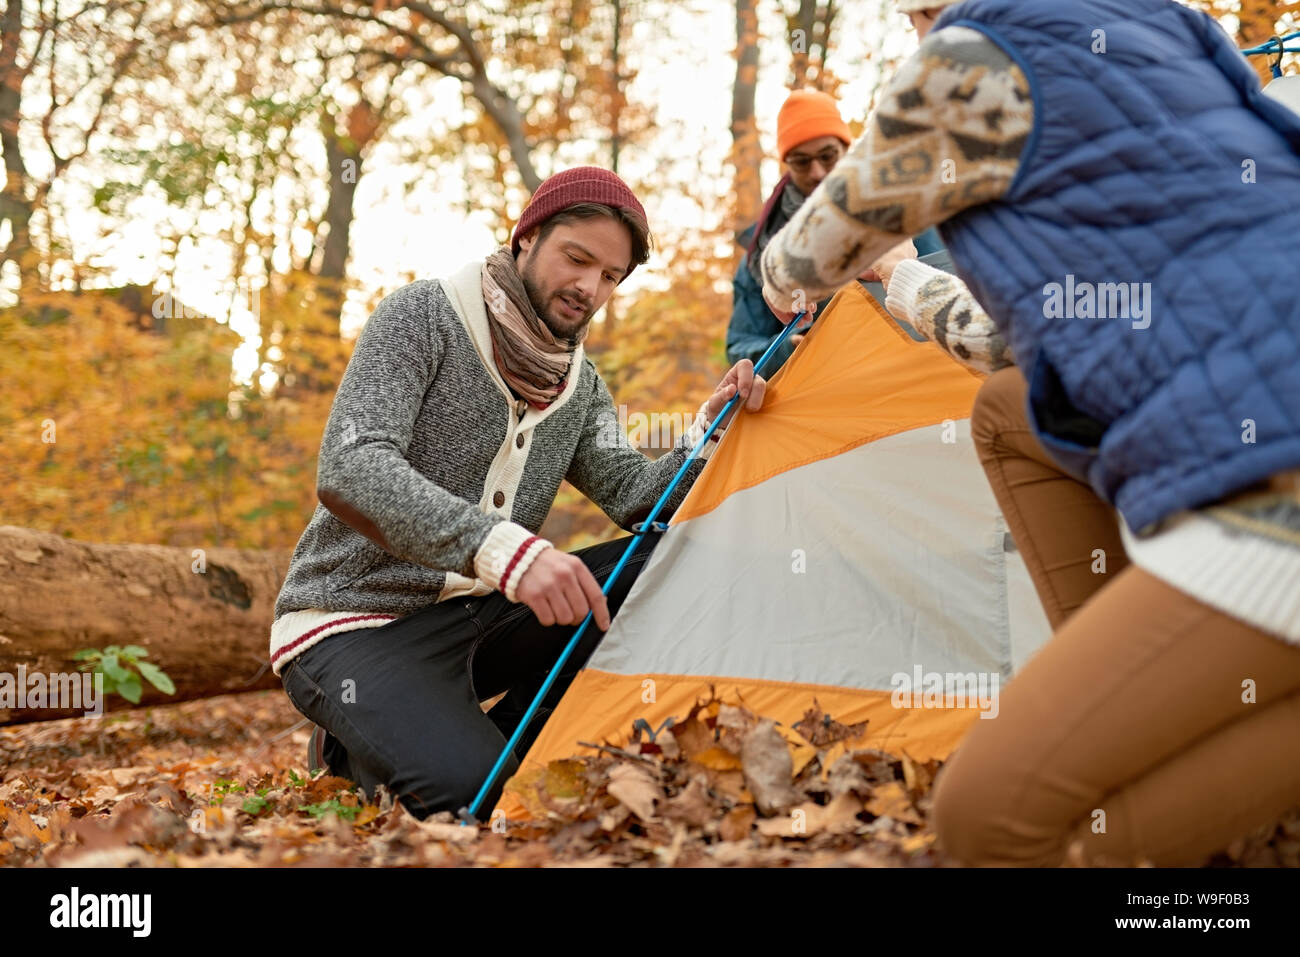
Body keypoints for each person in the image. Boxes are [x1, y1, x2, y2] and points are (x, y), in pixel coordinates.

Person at [759, 0, 1300, 866]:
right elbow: (1024, 349)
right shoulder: (1171, 23)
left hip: (1268, 483)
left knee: (991, 822)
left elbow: (797, 264)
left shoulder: (968, 63)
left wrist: (889, 266)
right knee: (1008, 407)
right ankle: (1143, 707)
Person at [271, 167, 767, 818]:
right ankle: (358, 744)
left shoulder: (578, 383)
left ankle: (476, 753)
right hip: (353, 623)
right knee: (470, 797)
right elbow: (351, 468)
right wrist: (506, 550)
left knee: (662, 562)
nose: (589, 287)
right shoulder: (421, 316)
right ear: (527, 237)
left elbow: (636, 495)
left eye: (610, 276)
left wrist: (710, 431)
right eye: (577, 257)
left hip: (480, 618)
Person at [726, 88, 941, 372]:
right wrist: (789, 348)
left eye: (827, 156)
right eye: (802, 162)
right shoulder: (761, 251)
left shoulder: (907, 211)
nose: (817, 172)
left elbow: (954, 291)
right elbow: (740, 347)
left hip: (914, 379)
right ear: (787, 165)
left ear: (845, 150)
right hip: (820, 399)